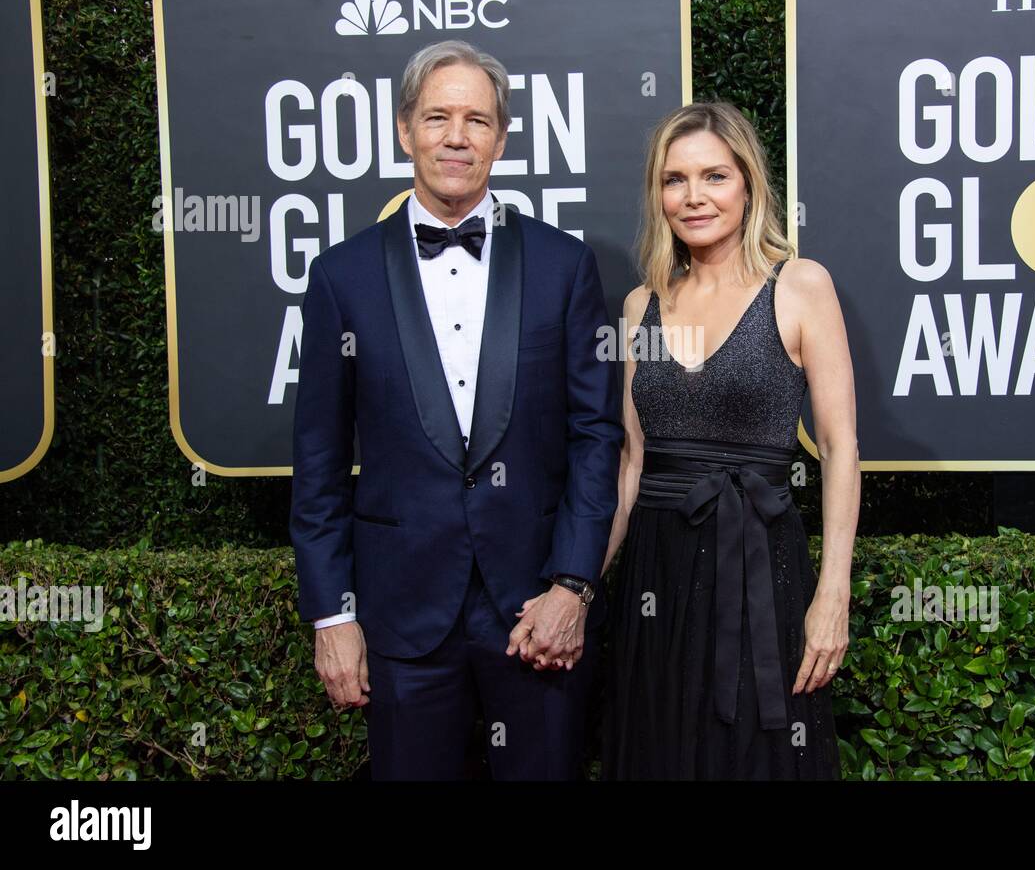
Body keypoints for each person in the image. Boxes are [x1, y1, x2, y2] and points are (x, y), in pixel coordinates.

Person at [290, 40, 622, 780]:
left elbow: (597, 436)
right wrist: (331, 615)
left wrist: (572, 584)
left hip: (536, 605)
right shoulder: (341, 278)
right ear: (404, 129)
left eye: (477, 119)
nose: (456, 136)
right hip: (400, 613)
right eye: (437, 116)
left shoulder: (564, 266)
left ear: (502, 139)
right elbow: (316, 462)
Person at [596, 101, 858, 778]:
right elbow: (630, 462)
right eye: (675, 179)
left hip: (760, 569)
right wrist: (579, 582)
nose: (693, 196)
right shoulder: (639, 305)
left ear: (748, 184)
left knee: (758, 754)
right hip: (656, 573)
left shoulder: (799, 286)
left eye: (714, 176)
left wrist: (833, 595)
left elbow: (839, 449)